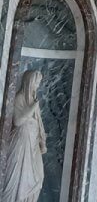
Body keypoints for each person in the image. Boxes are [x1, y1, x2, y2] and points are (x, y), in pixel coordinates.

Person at [1, 69, 47, 202]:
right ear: (29, 82)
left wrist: (42, 141)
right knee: (19, 180)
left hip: (34, 144)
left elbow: (39, 123)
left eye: (39, 82)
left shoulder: (33, 99)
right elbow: (17, 121)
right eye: (36, 82)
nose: (38, 85)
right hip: (21, 143)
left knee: (39, 176)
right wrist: (33, 107)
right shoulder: (19, 98)